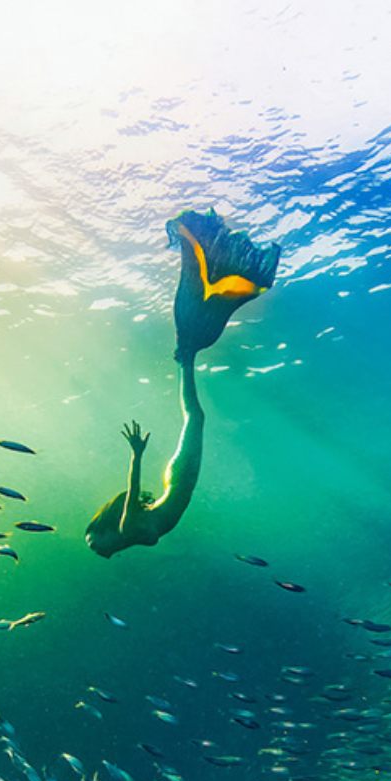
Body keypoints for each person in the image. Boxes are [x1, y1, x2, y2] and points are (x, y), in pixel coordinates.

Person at [85, 210, 280, 558]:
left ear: (107, 531)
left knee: (196, 416)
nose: (96, 549)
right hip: (174, 480)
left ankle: (185, 361)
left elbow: (132, 491)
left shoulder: (129, 527)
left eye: (94, 543)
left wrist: (137, 455)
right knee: (195, 415)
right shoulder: (133, 532)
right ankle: (185, 359)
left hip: (177, 479)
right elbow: (132, 498)